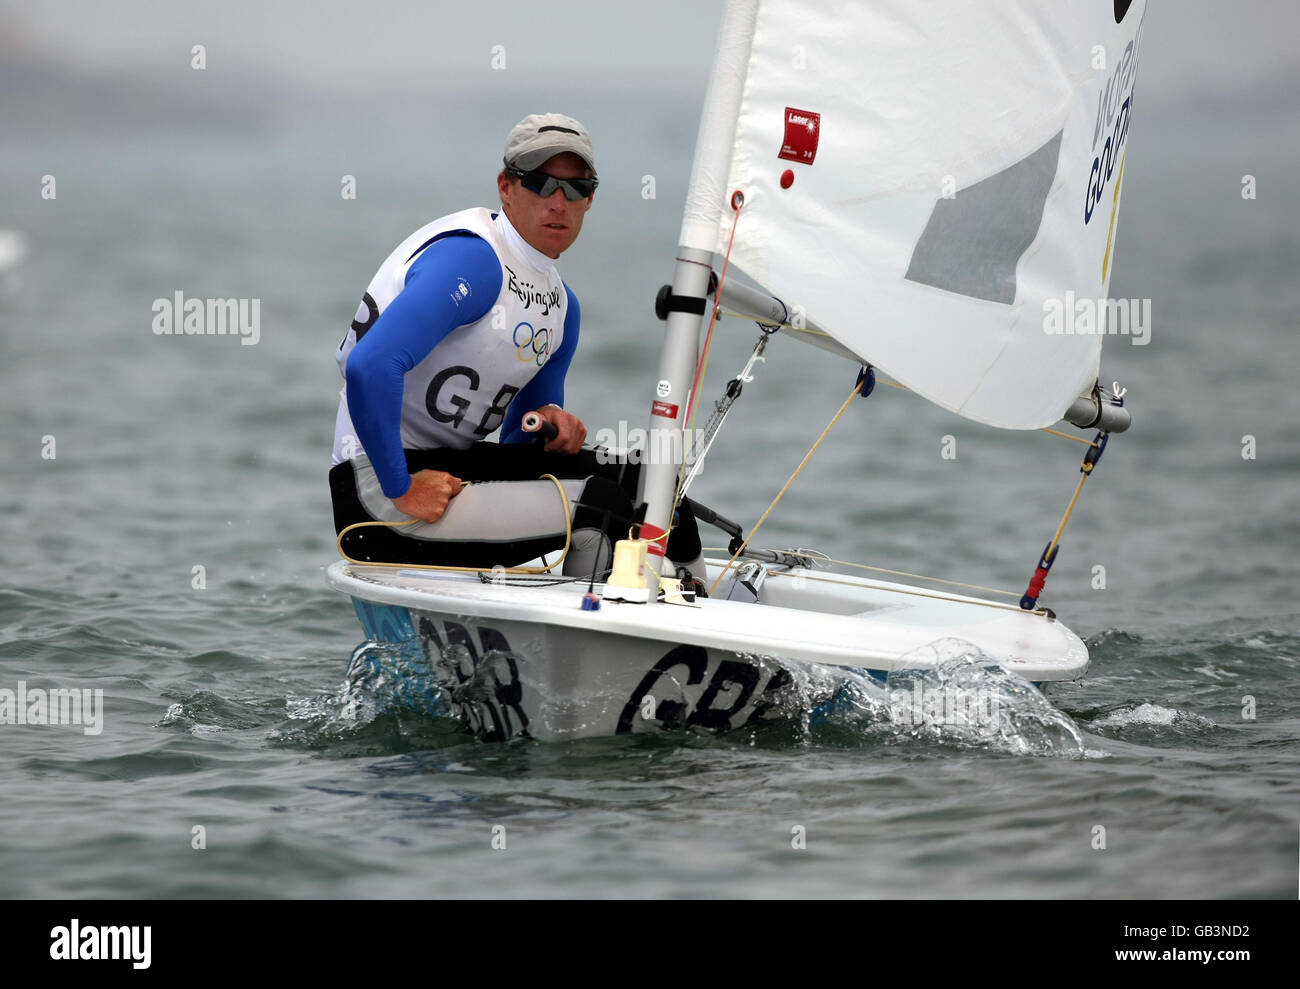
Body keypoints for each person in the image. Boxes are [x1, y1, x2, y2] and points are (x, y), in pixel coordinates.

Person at [329, 112, 704, 584]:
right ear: (506, 187)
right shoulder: (475, 261)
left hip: (455, 472)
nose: (559, 202)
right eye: (542, 183)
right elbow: (369, 366)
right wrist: (401, 487)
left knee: (657, 482)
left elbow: (520, 451)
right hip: (376, 493)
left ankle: (715, 617)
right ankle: (590, 635)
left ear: (591, 198)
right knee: (602, 507)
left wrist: (550, 426)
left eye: (576, 188)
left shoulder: (563, 307)